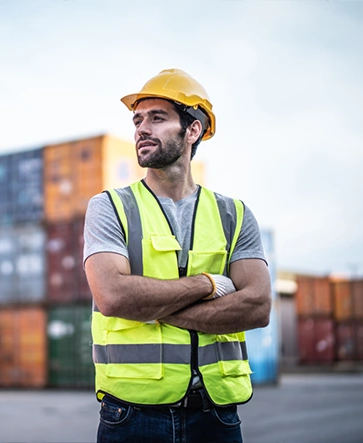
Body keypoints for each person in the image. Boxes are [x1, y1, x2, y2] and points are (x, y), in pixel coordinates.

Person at [83, 68, 272, 443]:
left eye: (157, 118)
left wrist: (154, 309)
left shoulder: (233, 214)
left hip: (216, 415)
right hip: (132, 415)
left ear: (192, 131)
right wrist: (206, 284)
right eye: (138, 119)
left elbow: (258, 306)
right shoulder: (110, 207)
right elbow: (113, 297)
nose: (141, 128)